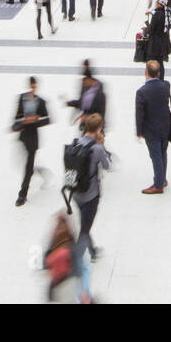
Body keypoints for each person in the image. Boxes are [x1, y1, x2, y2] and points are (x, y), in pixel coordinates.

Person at [71, 113, 111, 266]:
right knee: (85, 229)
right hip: (91, 194)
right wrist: (101, 145)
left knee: (84, 223)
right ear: (99, 128)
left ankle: (93, 251)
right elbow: (107, 166)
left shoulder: (76, 142)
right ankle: (76, 261)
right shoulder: (96, 148)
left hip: (75, 193)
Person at [12, 76, 51, 206]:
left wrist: (35, 120)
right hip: (23, 136)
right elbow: (16, 118)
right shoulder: (22, 99)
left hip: (33, 138)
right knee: (24, 164)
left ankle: (22, 195)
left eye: (35, 86)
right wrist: (23, 121)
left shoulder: (41, 101)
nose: (33, 89)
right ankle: (39, 171)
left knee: (28, 167)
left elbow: (48, 119)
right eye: (31, 86)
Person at [135, 62, 171, 194]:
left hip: (151, 130)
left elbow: (139, 114)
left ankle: (158, 185)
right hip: (165, 126)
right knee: (163, 153)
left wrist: (139, 132)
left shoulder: (141, 92)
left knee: (155, 156)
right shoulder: (166, 86)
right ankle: (162, 179)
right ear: (158, 73)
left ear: (146, 72)